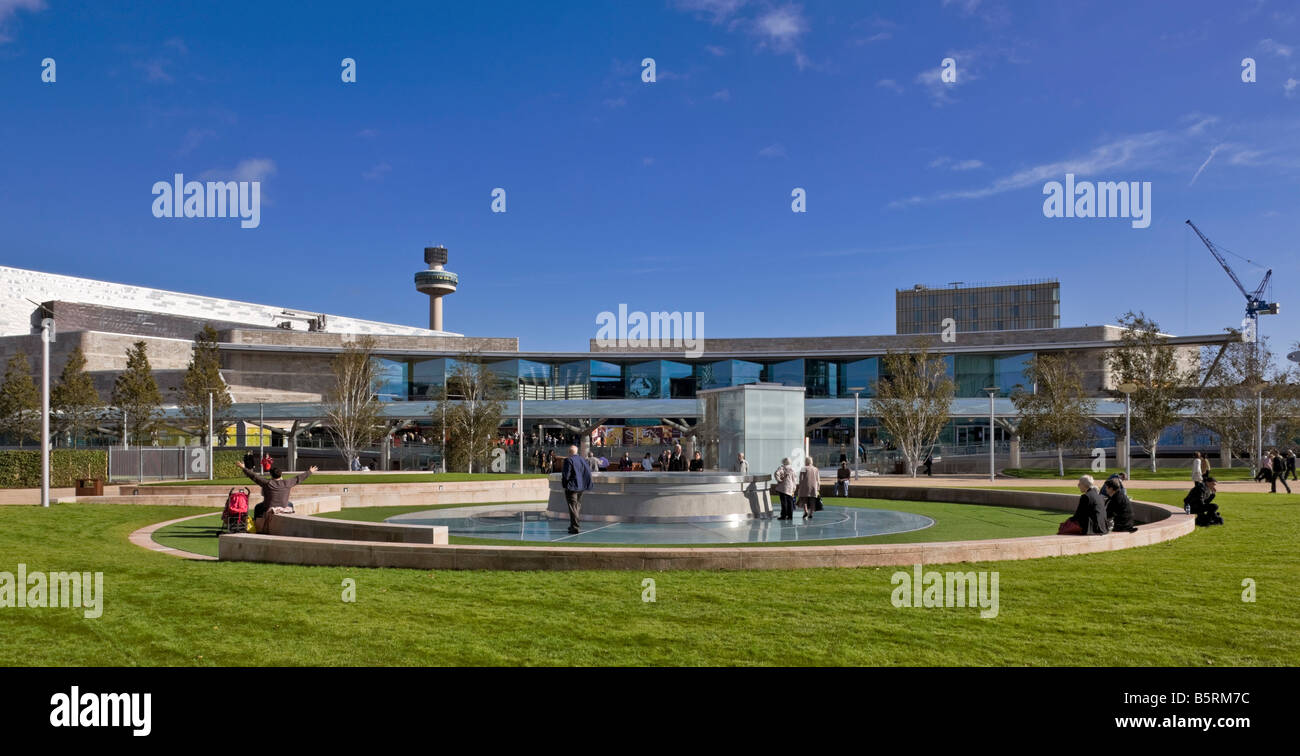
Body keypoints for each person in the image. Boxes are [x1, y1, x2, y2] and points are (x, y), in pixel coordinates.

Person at [236, 461, 318, 531]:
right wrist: (310, 471)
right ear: (281, 475)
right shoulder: (287, 483)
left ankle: (257, 526)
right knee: (290, 504)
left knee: (258, 507)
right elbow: (299, 478)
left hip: (269, 507)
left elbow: (254, 476)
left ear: (271, 475)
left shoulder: (267, 483)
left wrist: (243, 467)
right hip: (284, 506)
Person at [561, 445, 593, 534]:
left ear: (569, 452)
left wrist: (564, 485)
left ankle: (575, 527)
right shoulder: (582, 460)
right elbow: (587, 472)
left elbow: (566, 475)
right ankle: (573, 525)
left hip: (572, 487)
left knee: (572, 507)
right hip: (581, 487)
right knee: (577, 506)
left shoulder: (568, 460)